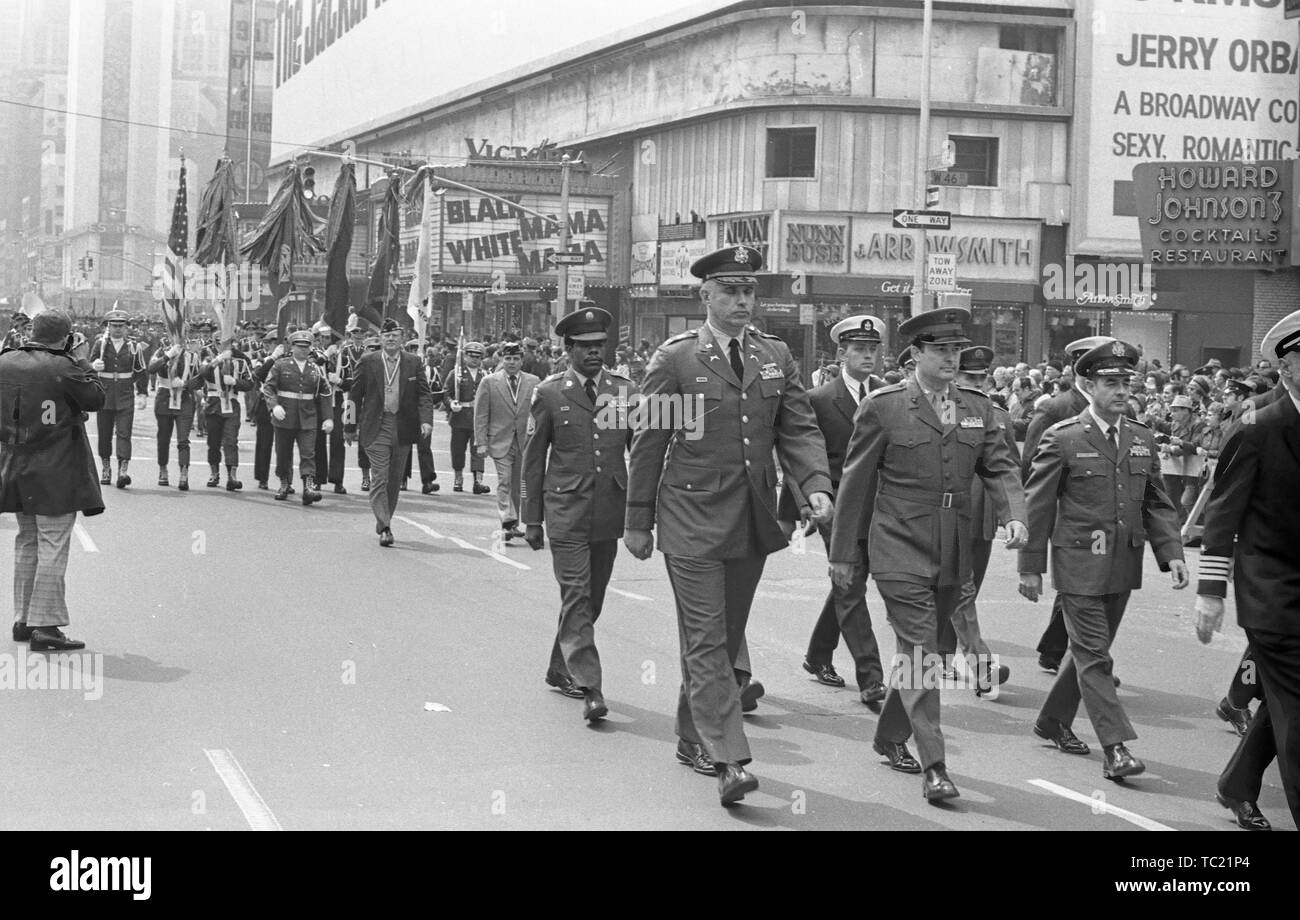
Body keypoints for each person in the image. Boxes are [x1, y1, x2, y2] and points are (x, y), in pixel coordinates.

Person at [624, 245, 834, 807]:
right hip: (689, 516)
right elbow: (648, 444)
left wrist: (815, 485)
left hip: (752, 518)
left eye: (749, 292)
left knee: (717, 638)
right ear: (705, 297)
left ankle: (692, 733)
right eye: (730, 292)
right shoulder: (676, 361)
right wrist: (637, 521)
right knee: (709, 639)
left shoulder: (774, 354)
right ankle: (730, 761)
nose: (742, 302)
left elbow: (799, 428)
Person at [828, 305, 1027, 803]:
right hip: (897, 541)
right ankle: (935, 764)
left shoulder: (978, 406)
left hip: (953, 544)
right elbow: (855, 485)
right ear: (915, 354)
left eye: (956, 350)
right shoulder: (884, 405)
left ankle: (889, 733)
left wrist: (1013, 514)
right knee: (919, 650)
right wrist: (844, 555)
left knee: (930, 653)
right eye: (941, 351)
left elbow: (999, 465)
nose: (951, 359)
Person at [1019, 340, 1187, 781]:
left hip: (1123, 564)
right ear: (1088, 385)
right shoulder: (1065, 438)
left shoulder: (1141, 438)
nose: (1120, 391)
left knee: (1090, 652)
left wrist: (1171, 553)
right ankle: (1116, 748)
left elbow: (1156, 501)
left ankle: (1052, 720)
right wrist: (1030, 567)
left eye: (1124, 383)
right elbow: (1038, 506)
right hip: (1078, 565)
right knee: (1095, 656)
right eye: (1110, 383)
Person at [1197, 309, 1300, 830]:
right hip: (1272, 593)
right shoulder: (1258, 425)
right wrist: (1211, 590)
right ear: (1285, 366)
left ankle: (1236, 786)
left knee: (1283, 701)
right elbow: (1223, 511)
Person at [522, 307, 637, 722]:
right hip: (566, 511)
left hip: (608, 511)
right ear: (567, 348)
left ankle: (560, 666)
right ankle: (591, 686)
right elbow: (534, 460)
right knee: (577, 596)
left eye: (599, 346)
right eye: (585, 347)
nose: (594, 353)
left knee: (592, 600)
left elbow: (637, 451)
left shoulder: (623, 392)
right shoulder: (550, 394)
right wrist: (531, 518)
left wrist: (641, 512)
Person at [779, 314, 887, 708]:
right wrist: (797, 507)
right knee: (851, 582)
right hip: (835, 504)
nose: (867, 355)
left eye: (873, 348)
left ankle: (818, 654)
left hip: (879, 504)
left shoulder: (888, 394)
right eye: (859, 348)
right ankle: (871, 677)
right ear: (842, 352)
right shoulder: (820, 399)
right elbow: (800, 453)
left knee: (850, 582)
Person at [0, 310, 105, 651]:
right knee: (52, 544)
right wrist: (83, 360)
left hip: (15, 466)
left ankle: (23, 618)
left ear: (32, 331)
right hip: (55, 470)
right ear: (65, 337)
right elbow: (96, 399)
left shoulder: (5, 362)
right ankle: (45, 625)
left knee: (27, 541)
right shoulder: (64, 366)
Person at [1022, 336, 1116, 673]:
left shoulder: (1122, 407)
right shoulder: (1055, 407)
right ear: (1081, 369)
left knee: (1093, 586)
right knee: (1082, 584)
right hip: (1068, 512)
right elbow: (1032, 462)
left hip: (1108, 513)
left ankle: (1059, 649)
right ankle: (1080, 657)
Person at [937, 345, 1017, 693]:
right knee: (960, 591)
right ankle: (978, 666)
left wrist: (1011, 514)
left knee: (962, 591)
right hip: (942, 515)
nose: (977, 384)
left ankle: (939, 660)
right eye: (969, 377)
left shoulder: (996, 414)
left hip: (981, 517)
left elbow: (1007, 466)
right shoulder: (938, 409)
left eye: (982, 378)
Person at [347, 319, 435, 546]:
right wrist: (349, 426)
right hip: (376, 427)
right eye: (386, 336)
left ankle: (384, 517)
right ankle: (385, 526)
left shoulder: (413, 362)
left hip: (403, 427)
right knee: (380, 477)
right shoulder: (368, 361)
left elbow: (424, 395)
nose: (391, 339)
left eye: (395, 335)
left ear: (402, 338)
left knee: (394, 480)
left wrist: (426, 421)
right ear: (381, 339)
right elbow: (355, 395)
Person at [474, 341, 539, 542]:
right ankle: (507, 521)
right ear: (502, 359)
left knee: (519, 484)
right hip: (499, 440)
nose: (511, 362)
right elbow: (481, 413)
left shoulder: (534, 381)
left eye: (516, 359)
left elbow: (539, 412)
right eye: (508, 358)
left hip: (524, 441)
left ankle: (514, 522)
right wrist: (481, 441)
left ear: (522, 361)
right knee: (504, 481)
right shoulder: (490, 382)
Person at [262, 329, 334, 505]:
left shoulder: (315, 369)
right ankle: (284, 483)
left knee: (308, 453)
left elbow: (325, 393)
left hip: (308, 417)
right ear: (292, 347)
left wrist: (328, 417)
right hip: (285, 415)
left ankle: (308, 487)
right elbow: (268, 387)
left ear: (310, 348)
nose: (302, 350)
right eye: (299, 346)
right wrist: (274, 406)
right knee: (283, 454)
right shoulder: (281, 365)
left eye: (306, 346)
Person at [91, 309, 148, 488]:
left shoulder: (134, 346)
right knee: (104, 434)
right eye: (113, 325)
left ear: (126, 328)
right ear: (108, 326)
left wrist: (142, 392)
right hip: (105, 394)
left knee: (124, 433)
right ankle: (106, 468)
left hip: (125, 394)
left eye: (120, 326)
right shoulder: (100, 344)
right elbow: (88, 367)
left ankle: (123, 470)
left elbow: (140, 371)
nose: (117, 329)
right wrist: (94, 366)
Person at [147, 326, 203, 491]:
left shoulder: (192, 355)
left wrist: (186, 384)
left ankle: (184, 472)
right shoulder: (162, 350)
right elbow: (151, 368)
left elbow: (201, 379)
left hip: (184, 399)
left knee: (183, 439)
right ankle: (163, 469)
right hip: (165, 397)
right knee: (163, 437)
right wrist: (167, 356)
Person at [196, 335, 254, 490]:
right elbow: (203, 372)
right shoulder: (209, 358)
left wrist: (235, 382)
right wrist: (219, 359)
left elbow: (250, 383)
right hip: (214, 404)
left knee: (230, 441)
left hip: (231, 404)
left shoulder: (240, 361)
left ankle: (232, 476)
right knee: (213, 442)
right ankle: (214, 474)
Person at [447, 341, 489, 494]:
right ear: (465, 356)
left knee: (478, 450)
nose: (475, 359)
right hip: (460, 417)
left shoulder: (485, 375)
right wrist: (451, 403)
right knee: (458, 450)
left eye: (478, 357)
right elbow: (447, 393)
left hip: (478, 419)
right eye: (471, 356)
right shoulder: (456, 373)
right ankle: (458, 477)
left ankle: (478, 481)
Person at [248, 330, 280, 491]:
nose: (275, 345)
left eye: (277, 342)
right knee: (264, 442)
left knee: (283, 444)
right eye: (272, 342)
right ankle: (262, 477)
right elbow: (258, 375)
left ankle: (285, 478)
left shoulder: (287, 358)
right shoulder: (260, 357)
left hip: (283, 402)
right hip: (265, 402)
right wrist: (273, 358)